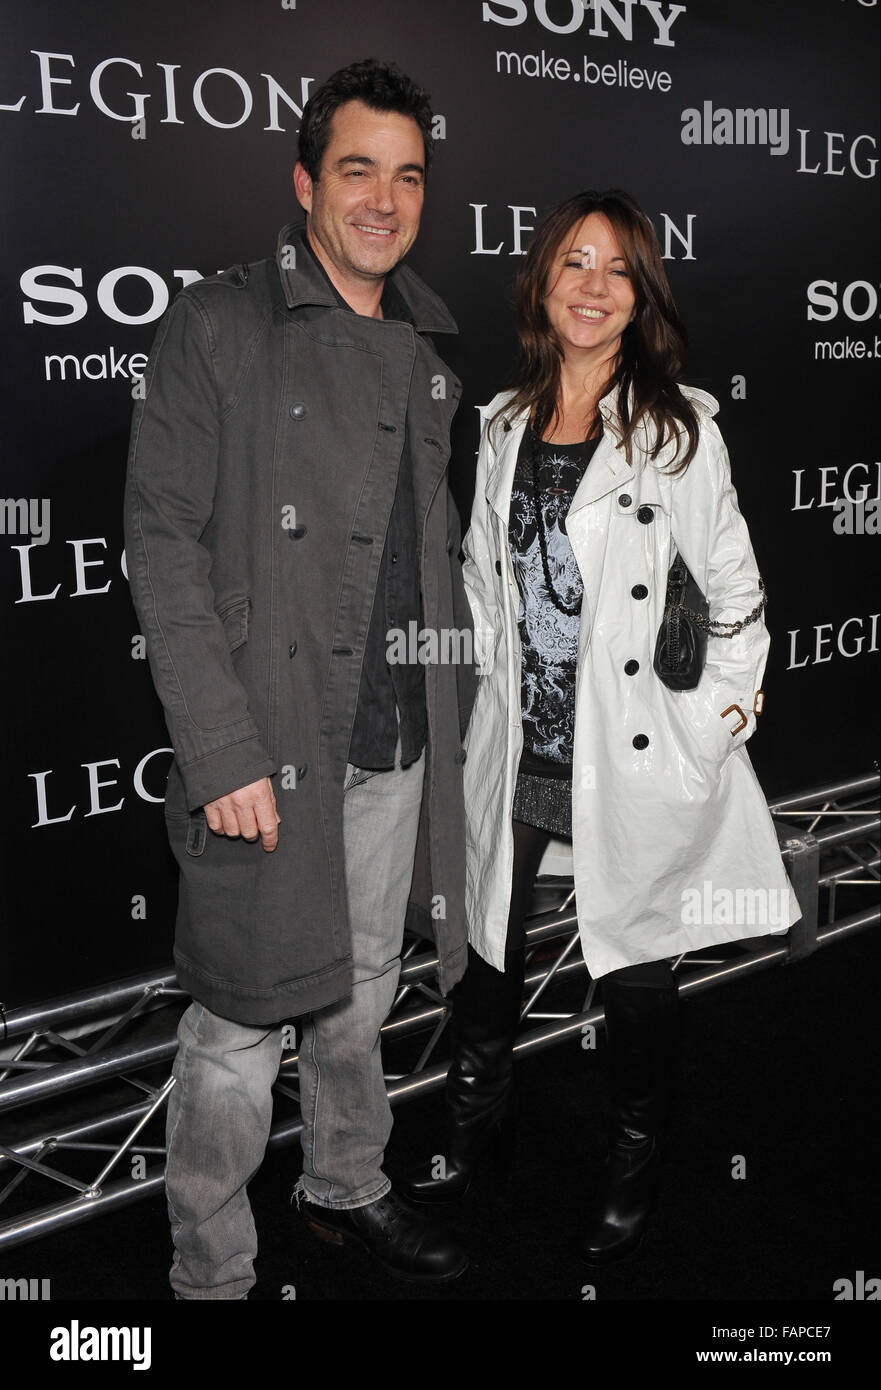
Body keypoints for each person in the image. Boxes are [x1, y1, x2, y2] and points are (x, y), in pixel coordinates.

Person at [124, 58, 477, 1297]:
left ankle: (346, 1180)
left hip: (389, 741)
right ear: (304, 182)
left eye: (407, 175)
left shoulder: (432, 356)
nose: (383, 198)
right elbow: (160, 547)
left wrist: (451, 721)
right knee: (233, 1026)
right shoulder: (218, 324)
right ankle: (210, 1269)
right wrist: (218, 749)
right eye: (356, 169)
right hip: (267, 743)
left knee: (360, 988)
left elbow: (422, 562)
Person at [403, 189, 798, 1263]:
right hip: (518, 742)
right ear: (541, 282)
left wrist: (712, 728)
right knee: (486, 961)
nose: (590, 285)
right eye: (572, 263)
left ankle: (634, 1153)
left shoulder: (675, 429)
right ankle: (477, 1138)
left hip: (629, 751)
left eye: (615, 270)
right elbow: (486, 597)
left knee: (631, 975)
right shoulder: (496, 422)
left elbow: (733, 588)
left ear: (638, 299)